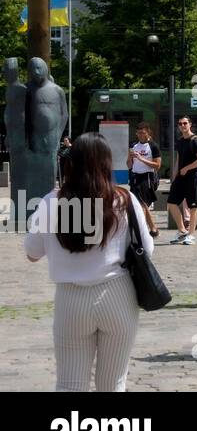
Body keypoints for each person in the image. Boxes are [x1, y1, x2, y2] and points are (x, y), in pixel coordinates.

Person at [25, 132, 152, 391]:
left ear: (70, 163)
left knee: (70, 384)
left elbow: (32, 253)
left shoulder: (52, 202)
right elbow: (147, 251)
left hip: (71, 301)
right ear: (107, 164)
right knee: (113, 384)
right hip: (118, 296)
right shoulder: (124, 200)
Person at [166, 116, 197, 245]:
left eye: (185, 123)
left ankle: (191, 235)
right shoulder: (180, 141)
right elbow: (179, 159)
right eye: (180, 124)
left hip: (193, 178)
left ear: (190, 124)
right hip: (180, 178)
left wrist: (187, 168)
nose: (182, 125)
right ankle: (182, 231)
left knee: (192, 206)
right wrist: (174, 175)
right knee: (171, 203)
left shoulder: (195, 141)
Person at [128, 124, 162, 237]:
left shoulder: (153, 146)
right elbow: (128, 165)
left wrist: (141, 159)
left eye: (142, 133)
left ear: (148, 133)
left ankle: (140, 231)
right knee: (142, 204)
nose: (140, 135)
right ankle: (153, 229)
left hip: (147, 177)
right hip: (135, 177)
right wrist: (130, 157)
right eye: (138, 133)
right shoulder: (134, 145)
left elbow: (157, 165)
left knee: (141, 204)